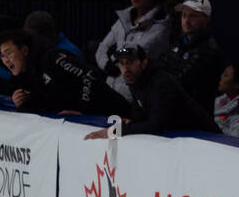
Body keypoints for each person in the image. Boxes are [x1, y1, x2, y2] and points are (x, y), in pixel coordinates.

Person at [84, 45, 217, 138]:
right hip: (184, 136)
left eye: (130, 62)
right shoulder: (134, 80)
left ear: (144, 62)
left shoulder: (161, 83)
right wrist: (131, 123)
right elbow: (141, 118)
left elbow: (154, 125)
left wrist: (116, 131)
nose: (125, 68)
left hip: (207, 138)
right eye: (122, 63)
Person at [0, 27, 125, 118]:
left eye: (8, 53)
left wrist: (83, 111)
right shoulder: (27, 76)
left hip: (117, 114)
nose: (5, 60)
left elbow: (89, 75)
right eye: (2, 56)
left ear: (24, 50)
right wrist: (22, 102)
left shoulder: (51, 58)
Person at [95, 0, 171, 102]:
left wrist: (114, 60)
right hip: (110, 88)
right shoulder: (124, 19)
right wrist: (106, 65)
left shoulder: (160, 26)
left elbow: (134, 53)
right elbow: (103, 47)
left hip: (136, 95)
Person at [159, 0, 224, 117]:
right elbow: (160, 66)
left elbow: (180, 81)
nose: (186, 21)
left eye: (193, 16)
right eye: (184, 15)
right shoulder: (177, 42)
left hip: (195, 118)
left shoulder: (209, 50)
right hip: (173, 112)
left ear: (206, 19)